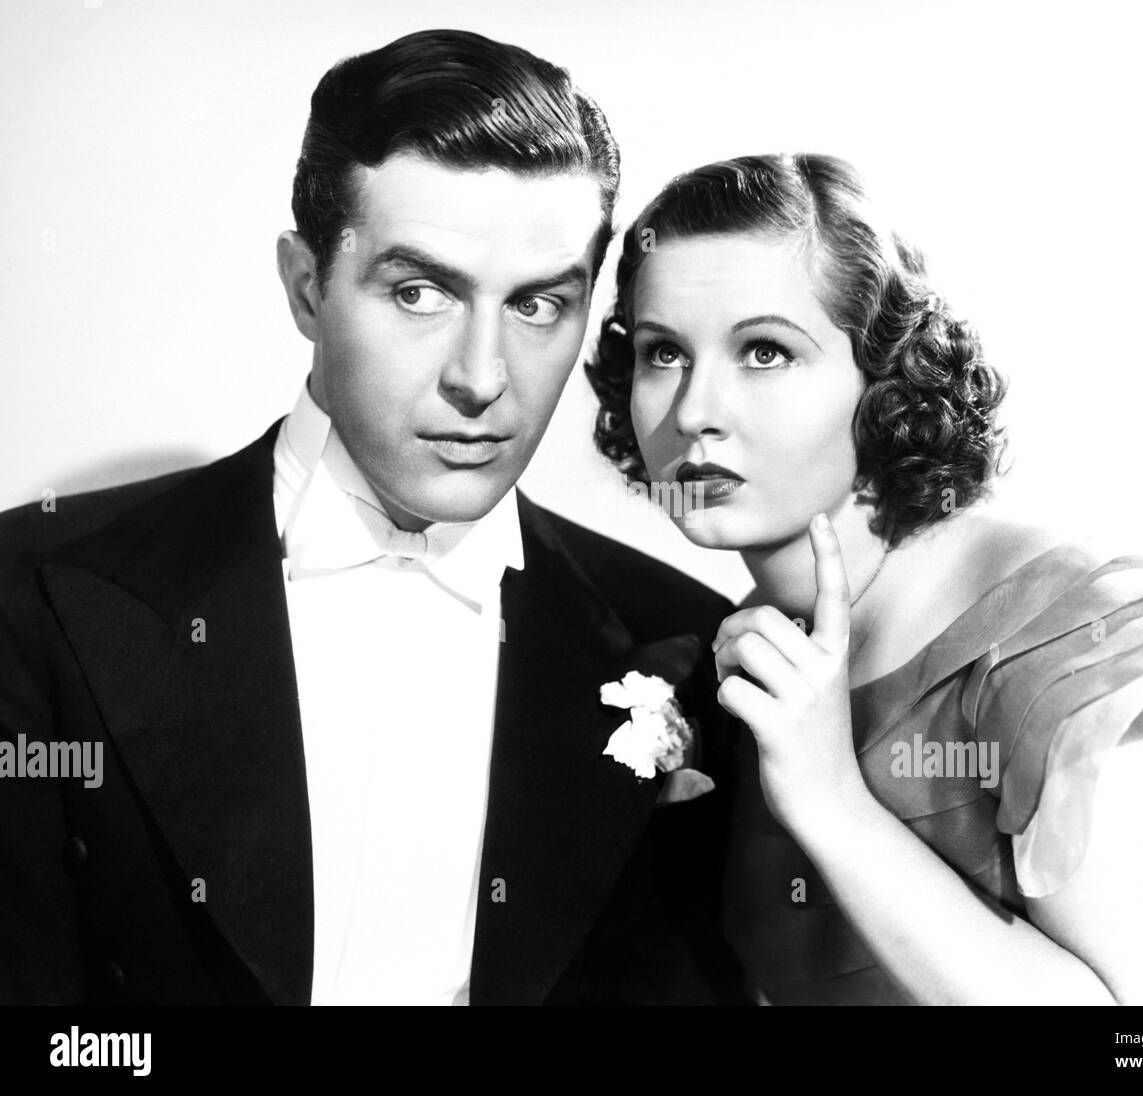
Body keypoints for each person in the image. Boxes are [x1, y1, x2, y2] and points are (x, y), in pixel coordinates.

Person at [0, 30, 745, 1006]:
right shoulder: (32, 592)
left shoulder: (685, 641)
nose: (482, 379)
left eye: (538, 304)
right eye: (419, 291)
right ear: (307, 287)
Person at [585, 152, 1143, 1004]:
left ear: (886, 379)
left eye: (765, 351)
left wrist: (832, 802)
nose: (696, 411)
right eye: (663, 353)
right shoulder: (736, 655)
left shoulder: (1062, 636)